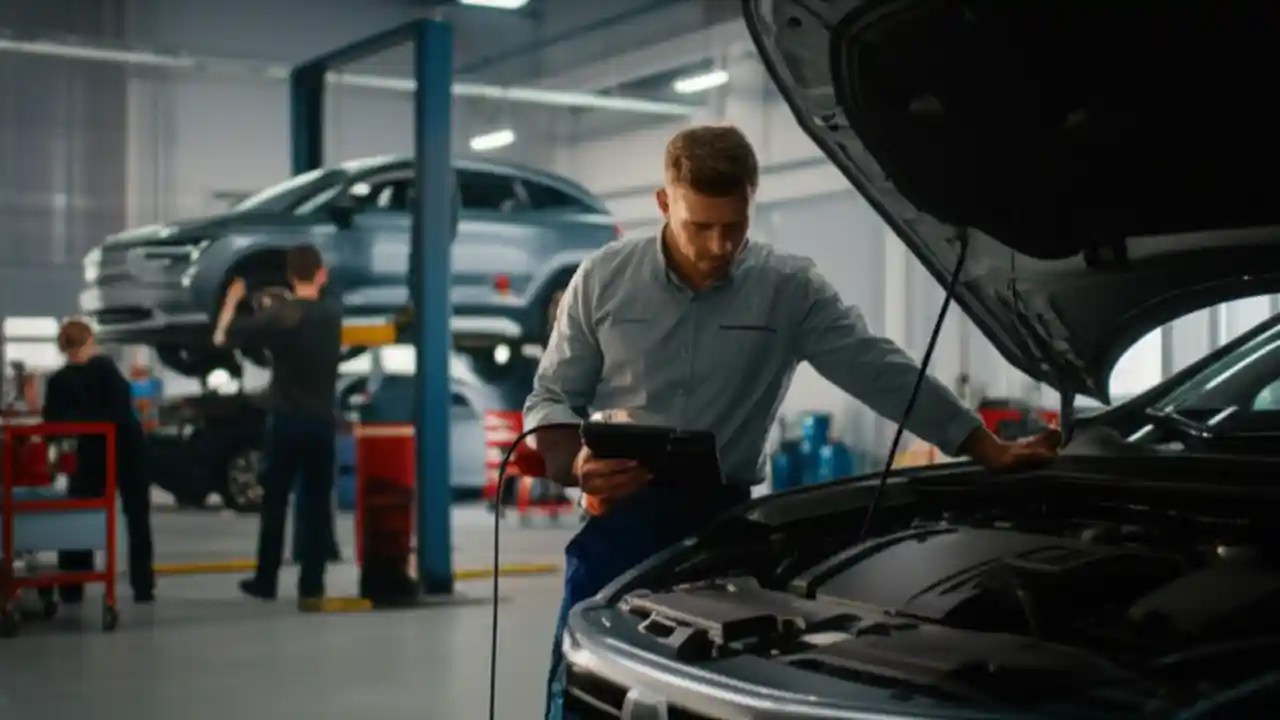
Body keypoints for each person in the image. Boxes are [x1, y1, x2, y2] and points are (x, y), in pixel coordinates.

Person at [525, 124, 1061, 718]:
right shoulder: (601, 279)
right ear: (663, 203)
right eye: (698, 226)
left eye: (735, 226)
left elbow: (877, 367)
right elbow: (552, 395)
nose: (718, 247)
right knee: (585, 690)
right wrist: (576, 462)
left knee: (709, 699)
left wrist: (981, 446)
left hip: (718, 526)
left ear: (753, 202)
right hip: (617, 518)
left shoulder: (787, 289)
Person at [213, 244, 342, 610]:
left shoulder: (279, 317)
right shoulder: (332, 314)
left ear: (288, 276)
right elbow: (318, 298)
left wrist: (234, 300)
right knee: (316, 506)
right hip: (321, 423)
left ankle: (265, 580)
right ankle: (312, 587)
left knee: (274, 504)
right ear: (321, 274)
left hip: (285, 422)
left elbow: (223, 338)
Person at [43, 319, 154, 603]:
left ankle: (72, 586)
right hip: (127, 451)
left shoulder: (57, 382)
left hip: (88, 456)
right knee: (137, 518)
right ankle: (142, 586)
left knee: (78, 517)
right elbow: (121, 411)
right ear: (90, 340)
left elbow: (51, 424)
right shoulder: (105, 369)